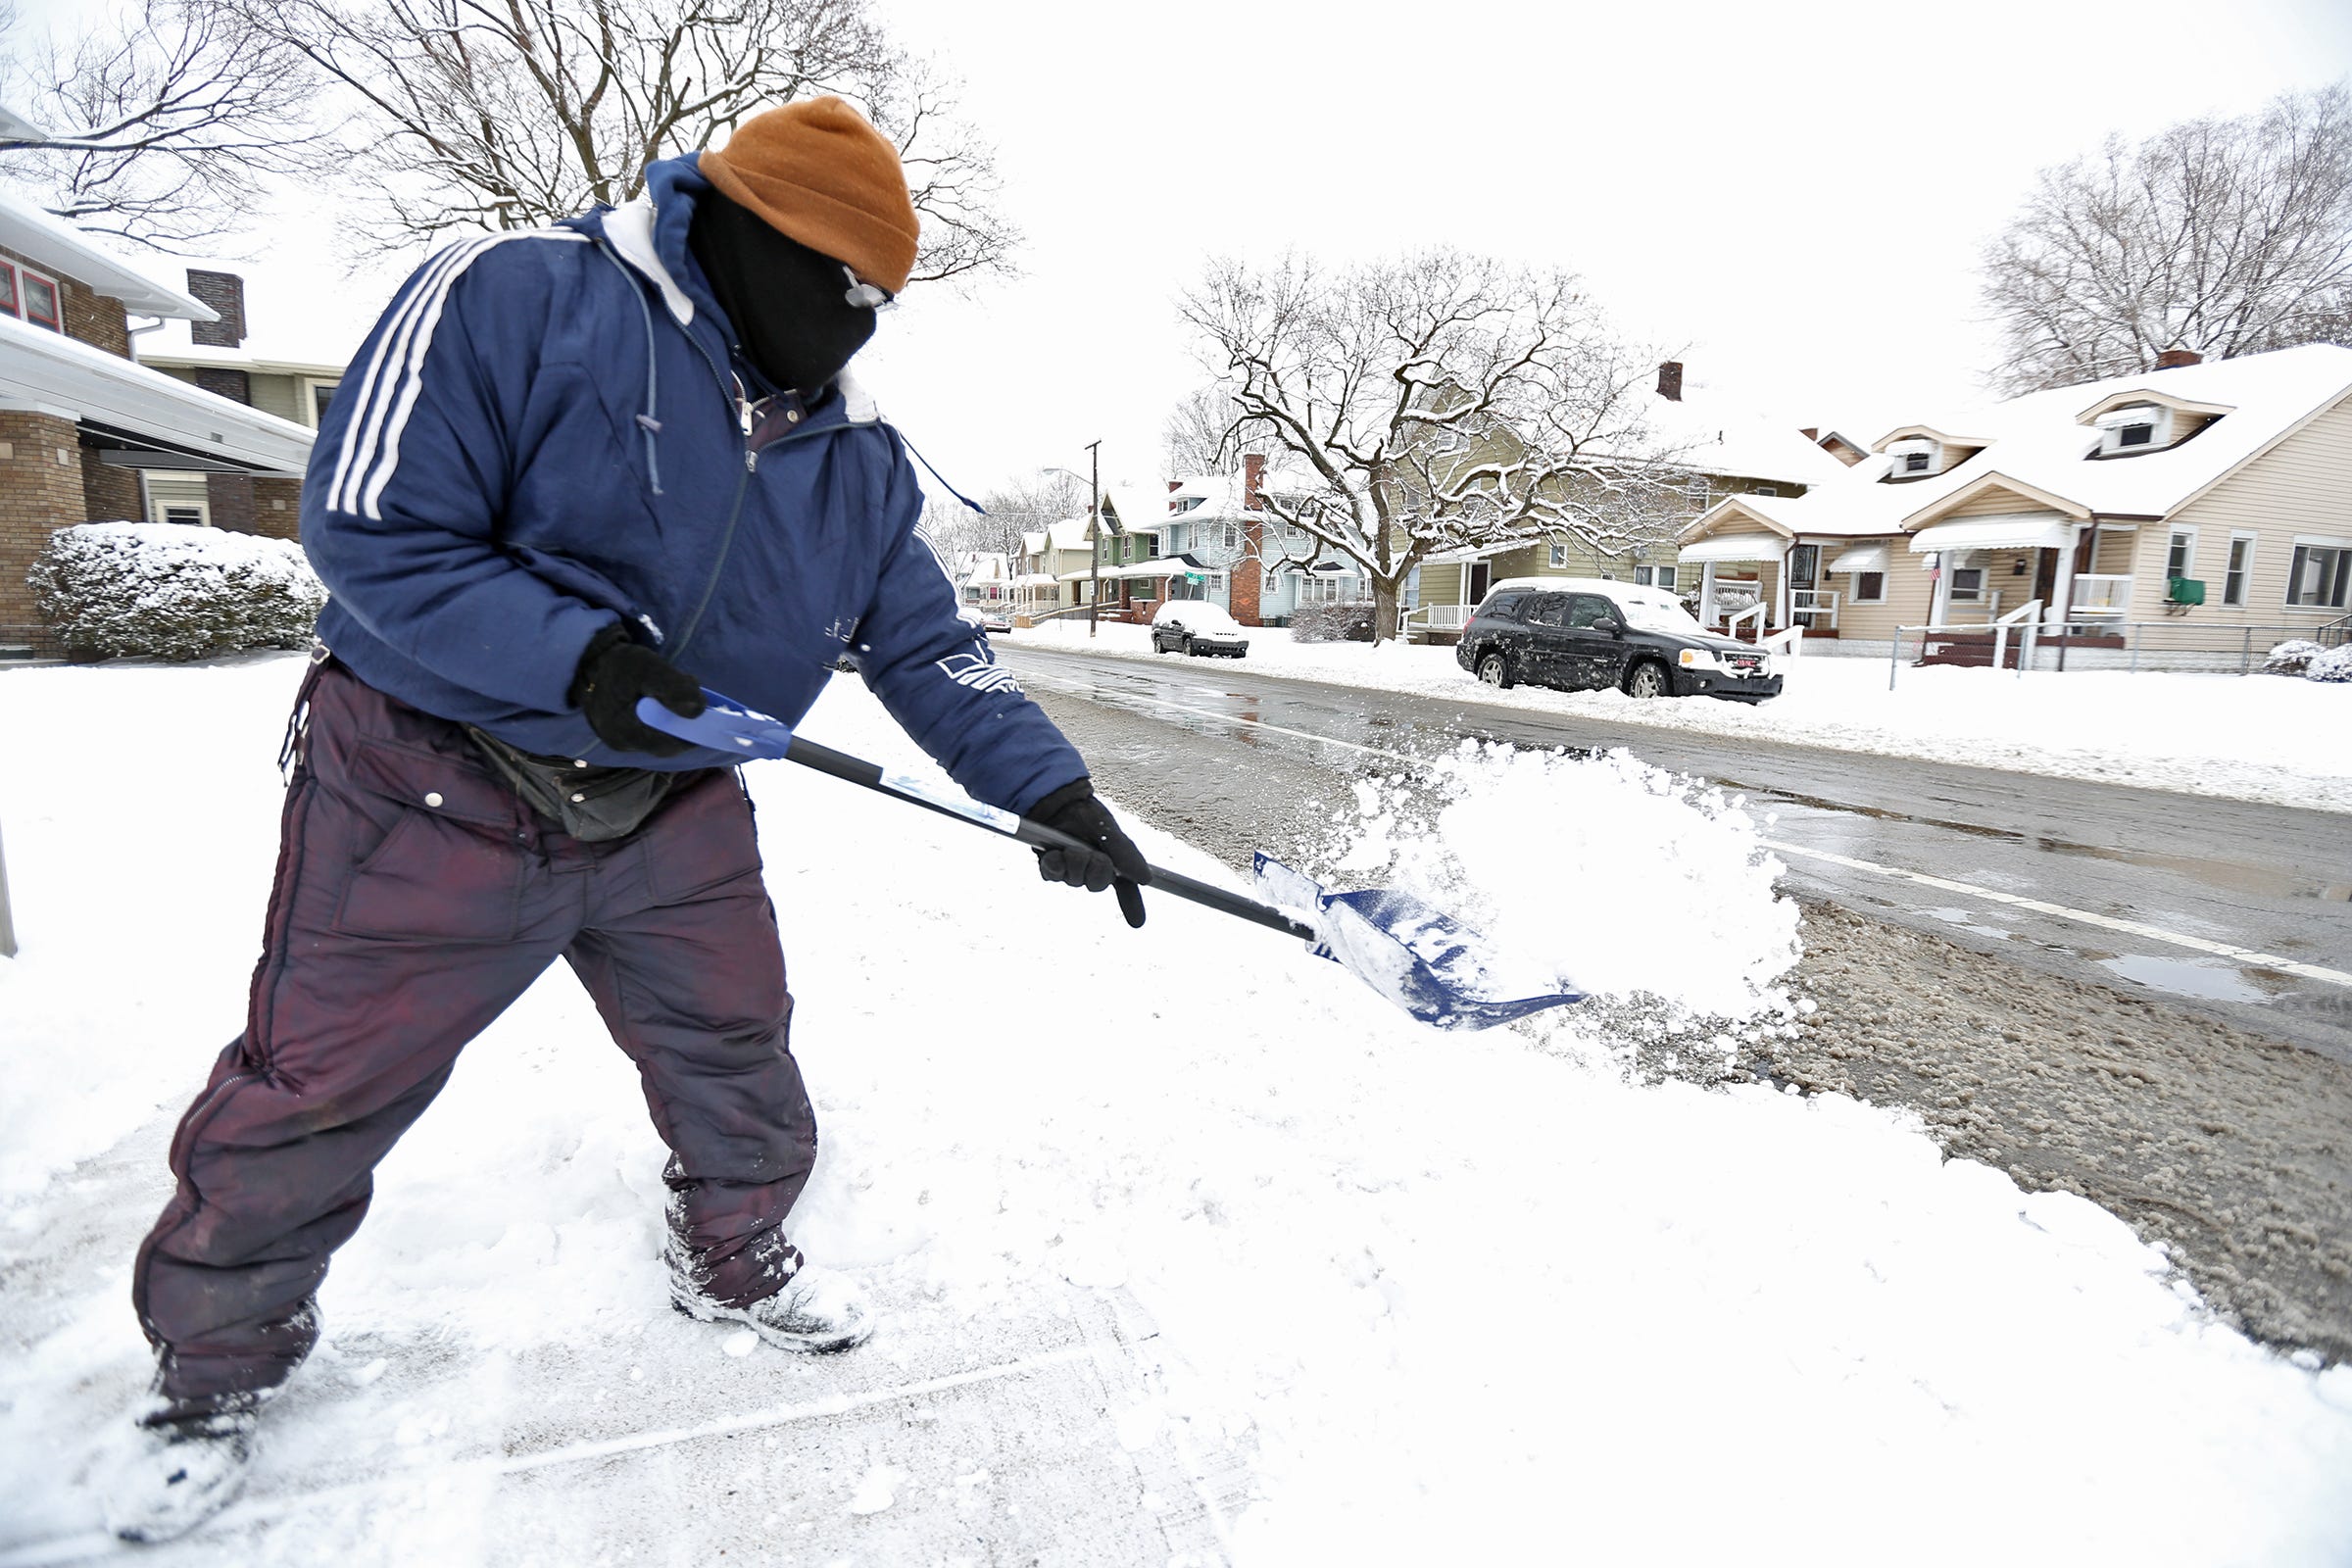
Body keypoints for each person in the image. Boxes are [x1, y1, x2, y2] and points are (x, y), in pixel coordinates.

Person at [106, 96, 1152, 1543]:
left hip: (669, 803)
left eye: (877, 303)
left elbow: (925, 647)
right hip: (430, 776)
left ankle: (735, 1248)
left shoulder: (853, 460)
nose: (853, 324)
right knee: (318, 1089)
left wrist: (1049, 788)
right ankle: (212, 1374)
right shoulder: (519, 299)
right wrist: (577, 657)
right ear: (739, 230)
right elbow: (363, 527)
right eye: (836, 286)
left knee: (736, 1045)